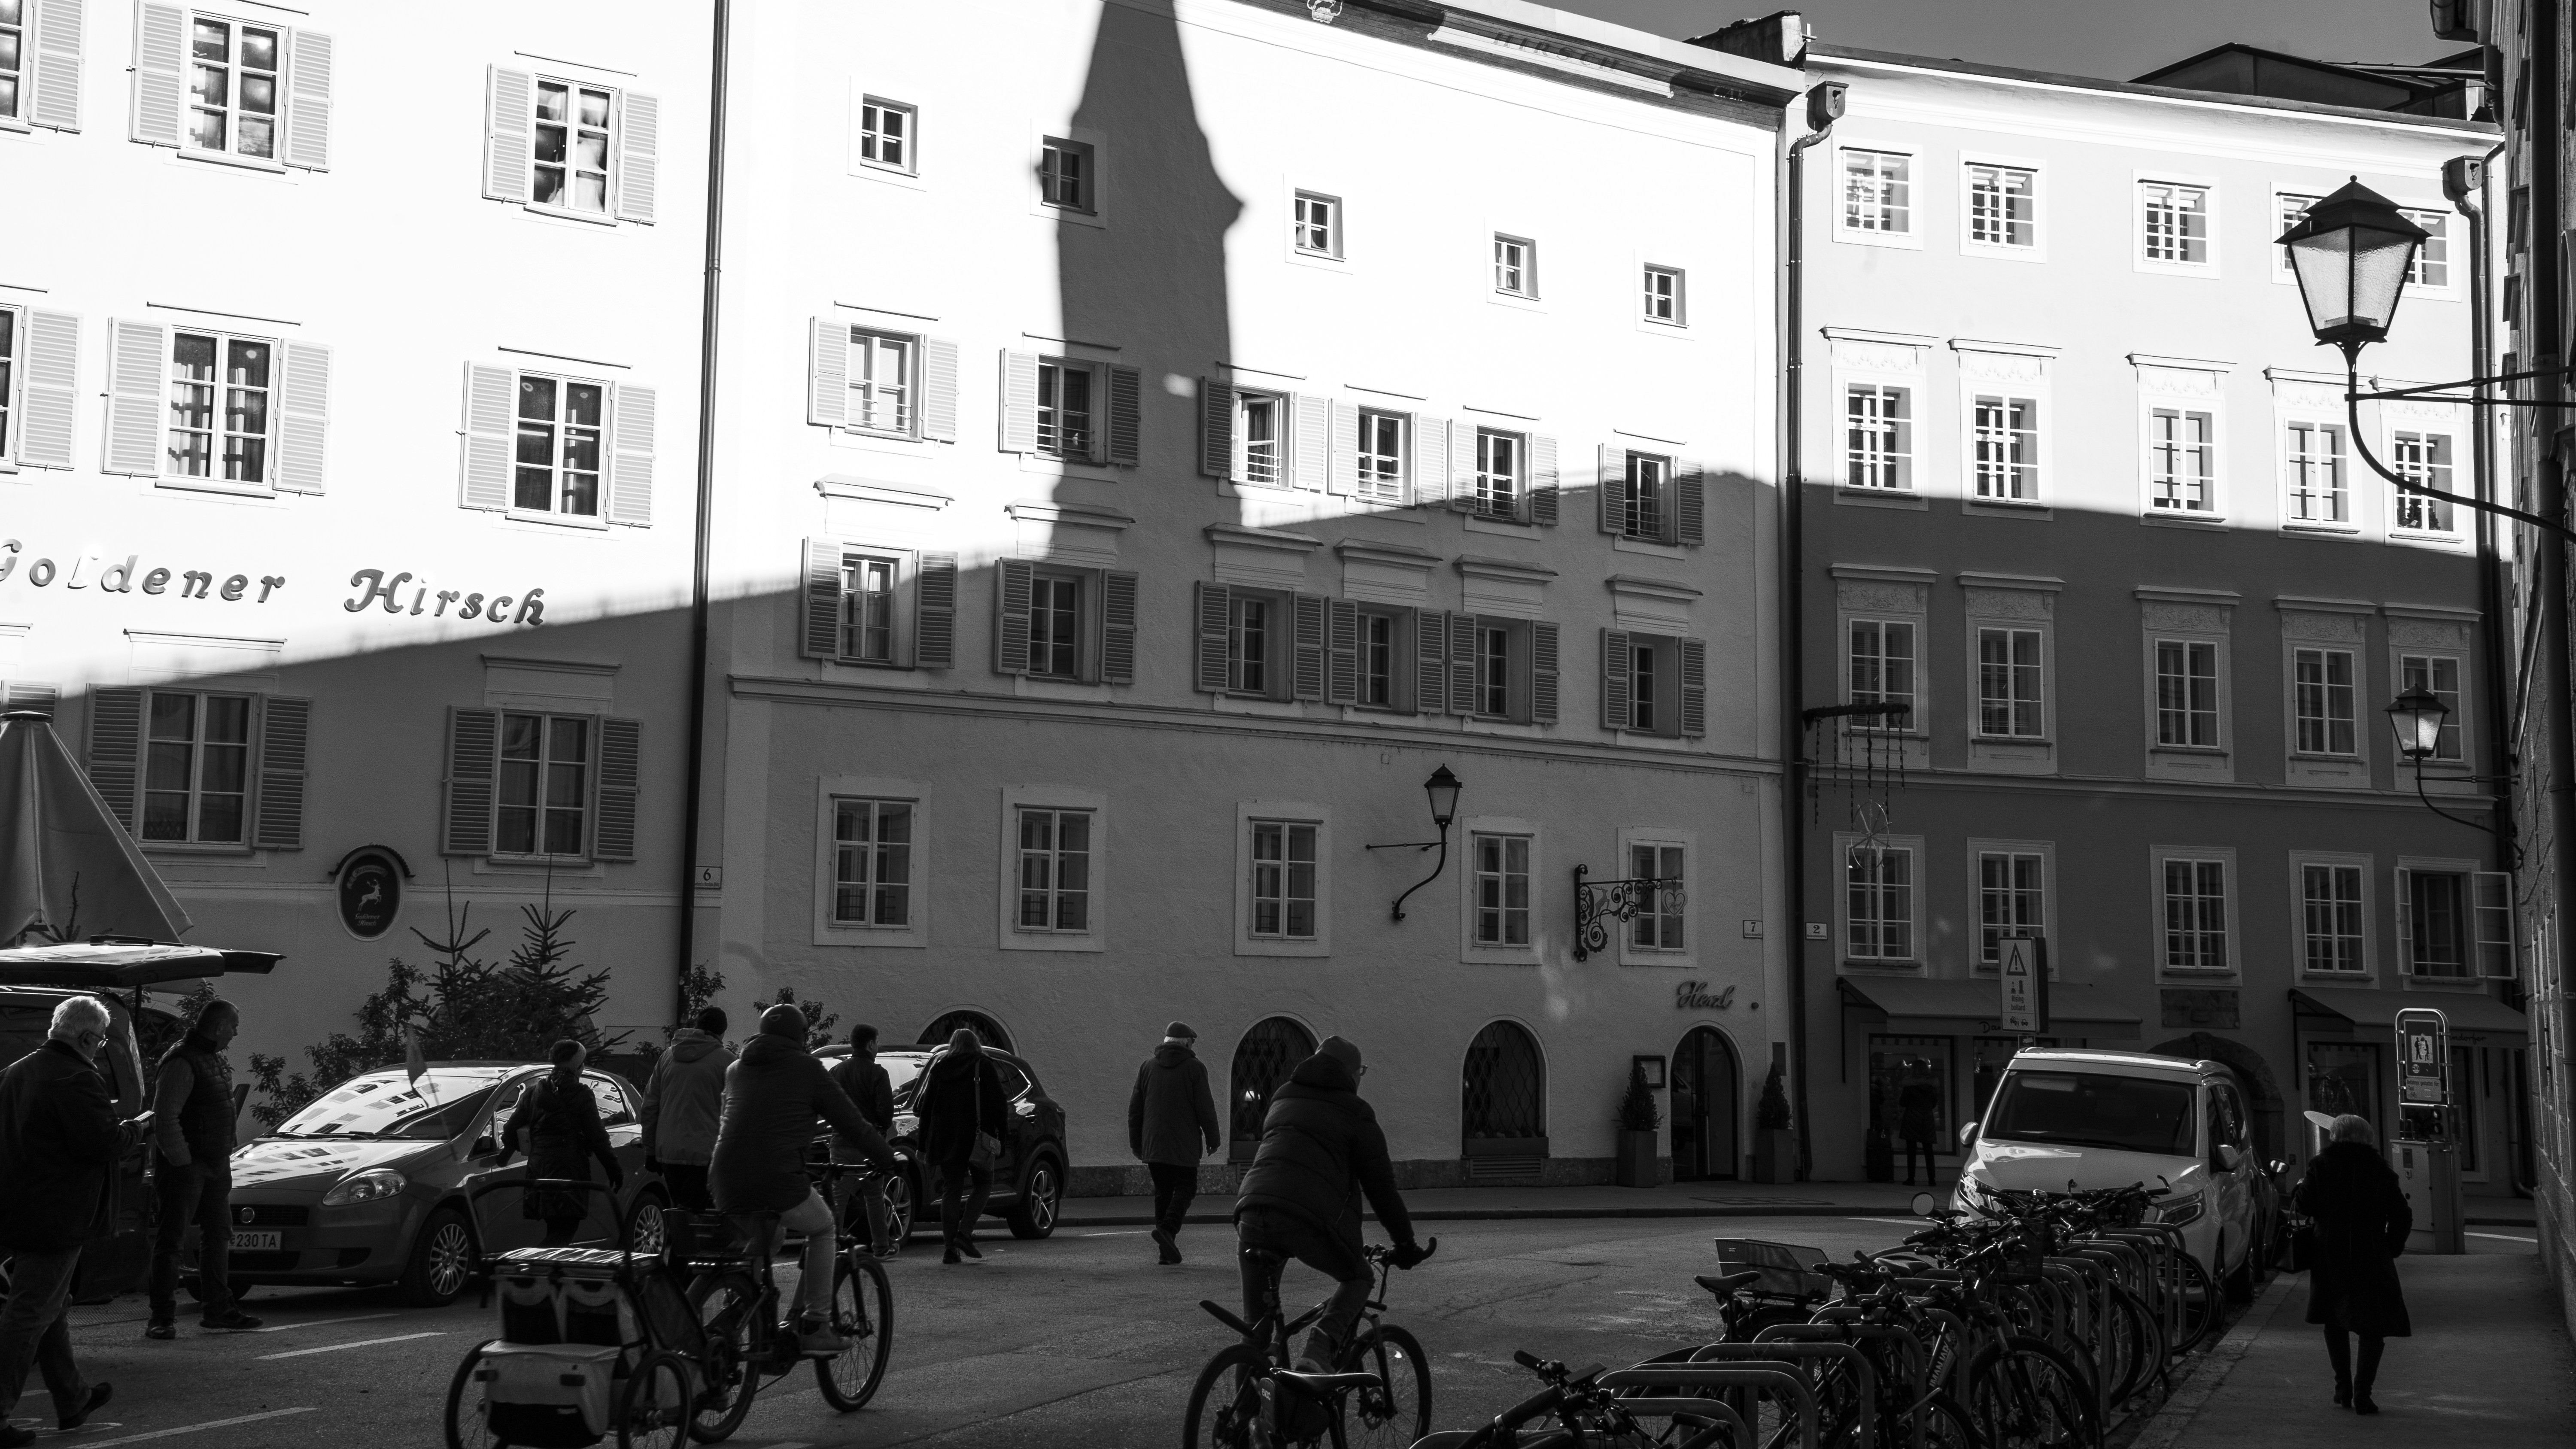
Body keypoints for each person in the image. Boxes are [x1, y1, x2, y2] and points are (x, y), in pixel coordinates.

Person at [1233, 1035, 1431, 1373]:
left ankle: (1248, 1422)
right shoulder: (1356, 1112)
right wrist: (1406, 1244)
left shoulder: (1283, 1096)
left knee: (1257, 1333)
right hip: (1304, 1217)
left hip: (1252, 1210)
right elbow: (1382, 1189)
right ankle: (1321, 1344)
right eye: (1361, 1072)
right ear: (1351, 1074)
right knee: (1359, 1276)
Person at [709, 1003, 897, 1355]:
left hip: (725, 1174)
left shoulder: (737, 1068)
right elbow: (852, 1124)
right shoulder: (808, 1068)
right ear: (801, 1036)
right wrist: (888, 1158)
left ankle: (739, 1312)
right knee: (824, 1227)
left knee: (770, 1235)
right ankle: (816, 1323)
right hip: (777, 1174)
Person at [0, 997, 136, 1447]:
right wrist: (139, 1128)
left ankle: (73, 1398)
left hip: (19, 1208)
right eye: (98, 1040)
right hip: (58, 1214)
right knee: (29, 1312)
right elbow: (103, 1142)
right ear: (84, 1037)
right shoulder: (77, 1077)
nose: (98, 1049)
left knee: (50, 1308)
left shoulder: (17, 1072)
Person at [145, 997, 261, 1337]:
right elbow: (165, 1116)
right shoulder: (182, 1061)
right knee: (172, 1240)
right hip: (190, 1166)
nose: (236, 1034)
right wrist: (182, 1161)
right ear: (220, 1026)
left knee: (218, 1235)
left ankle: (219, 1309)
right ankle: (162, 1318)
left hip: (213, 1162)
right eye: (234, 1027)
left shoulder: (209, 1057)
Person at [2296, 1114, 2412, 1414]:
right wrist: (2391, 1247)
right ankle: (2364, 1392)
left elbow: (2305, 1206)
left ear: (2335, 1136)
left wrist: (2301, 1186)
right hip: (2371, 1254)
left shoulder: (2320, 1166)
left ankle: (2342, 1387)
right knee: (2372, 1325)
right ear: (2368, 1138)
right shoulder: (2380, 1171)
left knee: (2334, 1320)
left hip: (2329, 1253)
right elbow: (2402, 1214)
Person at [497, 1040, 623, 1247]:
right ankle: (534, 1267)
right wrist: (614, 1170)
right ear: (579, 1067)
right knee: (564, 1231)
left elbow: (510, 1130)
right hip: (569, 1171)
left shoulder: (535, 1092)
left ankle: (548, 1274)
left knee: (555, 1227)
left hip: (538, 1169)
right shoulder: (582, 1094)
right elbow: (598, 1138)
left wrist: (529, 1147)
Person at [1128, 1021, 1220, 1266]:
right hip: (1184, 1145)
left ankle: (1165, 1252)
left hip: (1154, 1144)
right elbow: (1205, 1108)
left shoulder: (1147, 1068)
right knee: (1186, 1189)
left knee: (1163, 1193)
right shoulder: (1194, 1068)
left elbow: (1135, 1109)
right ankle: (1168, 1231)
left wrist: (1136, 1143)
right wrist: (1214, 1139)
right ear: (1188, 1043)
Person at [914, 1027, 1007, 1266]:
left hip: (945, 1139)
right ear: (976, 1044)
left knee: (951, 1190)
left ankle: (949, 1250)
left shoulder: (939, 1068)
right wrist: (1002, 1137)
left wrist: (922, 1145)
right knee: (985, 1182)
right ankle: (965, 1233)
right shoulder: (983, 1066)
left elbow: (926, 1108)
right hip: (976, 1138)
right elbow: (999, 1104)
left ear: (952, 1045)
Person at [643, 1006, 735, 1212]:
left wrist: (650, 1150)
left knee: (679, 1213)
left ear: (697, 1026)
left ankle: (678, 1243)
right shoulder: (728, 1062)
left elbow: (650, 1105)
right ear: (723, 1032)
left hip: (668, 1152)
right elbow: (737, 1112)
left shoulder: (667, 1057)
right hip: (706, 1153)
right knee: (698, 1219)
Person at [827, 1024, 896, 1258]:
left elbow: (828, 1106)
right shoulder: (878, 1073)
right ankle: (881, 1247)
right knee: (874, 1197)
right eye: (877, 1043)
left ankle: (830, 1246)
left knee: (839, 1198)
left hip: (840, 1140)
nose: (878, 1047)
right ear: (870, 1044)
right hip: (868, 1142)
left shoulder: (836, 1072)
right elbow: (886, 1112)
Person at [1896, 1060, 1939, 1188]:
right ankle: (1932, 1179)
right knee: (1928, 1151)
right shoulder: (1932, 1087)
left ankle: (1911, 1178)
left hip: (1912, 1119)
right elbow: (1934, 1104)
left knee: (1911, 1150)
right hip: (1927, 1119)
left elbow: (1903, 1103)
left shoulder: (1909, 1086)